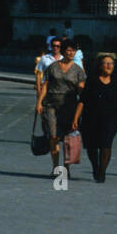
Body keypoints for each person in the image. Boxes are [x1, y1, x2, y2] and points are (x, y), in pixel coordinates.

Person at [72, 54, 117, 182]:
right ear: (100, 65)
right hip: (90, 119)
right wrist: (75, 118)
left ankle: (102, 172)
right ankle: (95, 167)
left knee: (106, 144)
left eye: (111, 64)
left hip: (110, 120)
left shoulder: (115, 82)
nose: (109, 66)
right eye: (106, 63)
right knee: (92, 146)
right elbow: (82, 101)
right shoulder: (92, 80)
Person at [36, 40, 85, 173]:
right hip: (51, 105)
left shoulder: (78, 70)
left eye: (73, 50)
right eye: (69, 50)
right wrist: (39, 102)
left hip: (69, 107)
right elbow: (45, 85)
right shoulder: (53, 67)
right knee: (53, 136)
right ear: (63, 51)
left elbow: (82, 88)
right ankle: (56, 167)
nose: (71, 53)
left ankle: (66, 167)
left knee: (67, 139)